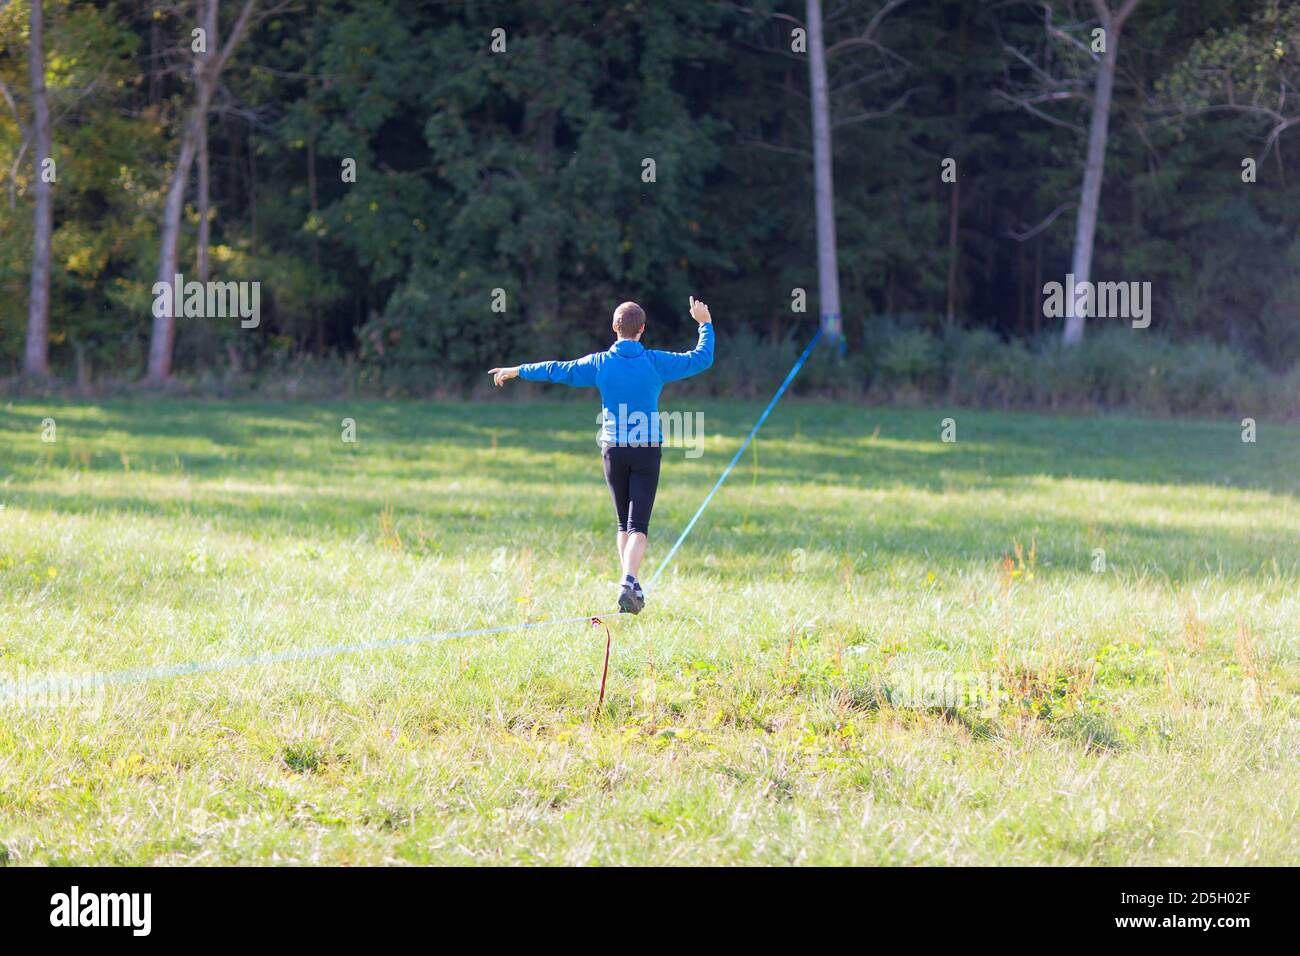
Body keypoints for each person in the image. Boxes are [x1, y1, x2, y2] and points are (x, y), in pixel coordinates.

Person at [489, 297, 715, 613]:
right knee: (638, 526)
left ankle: (628, 583)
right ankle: (628, 581)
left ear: (614, 328)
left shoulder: (600, 363)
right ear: (643, 329)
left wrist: (517, 370)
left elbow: (558, 370)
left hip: (613, 450)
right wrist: (704, 324)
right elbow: (700, 359)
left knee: (623, 523)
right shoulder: (653, 362)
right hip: (646, 450)